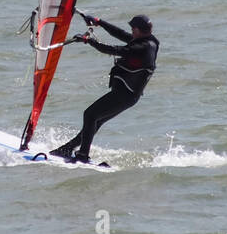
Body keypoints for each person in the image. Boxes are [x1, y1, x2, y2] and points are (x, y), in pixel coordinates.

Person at [51, 13, 159, 163]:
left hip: (125, 94)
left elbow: (113, 49)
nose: (131, 32)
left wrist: (89, 41)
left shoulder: (143, 47)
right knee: (95, 120)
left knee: (90, 115)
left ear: (138, 29)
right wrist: (99, 22)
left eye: (133, 29)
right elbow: (120, 34)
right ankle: (68, 148)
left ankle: (83, 156)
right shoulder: (147, 40)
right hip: (126, 95)